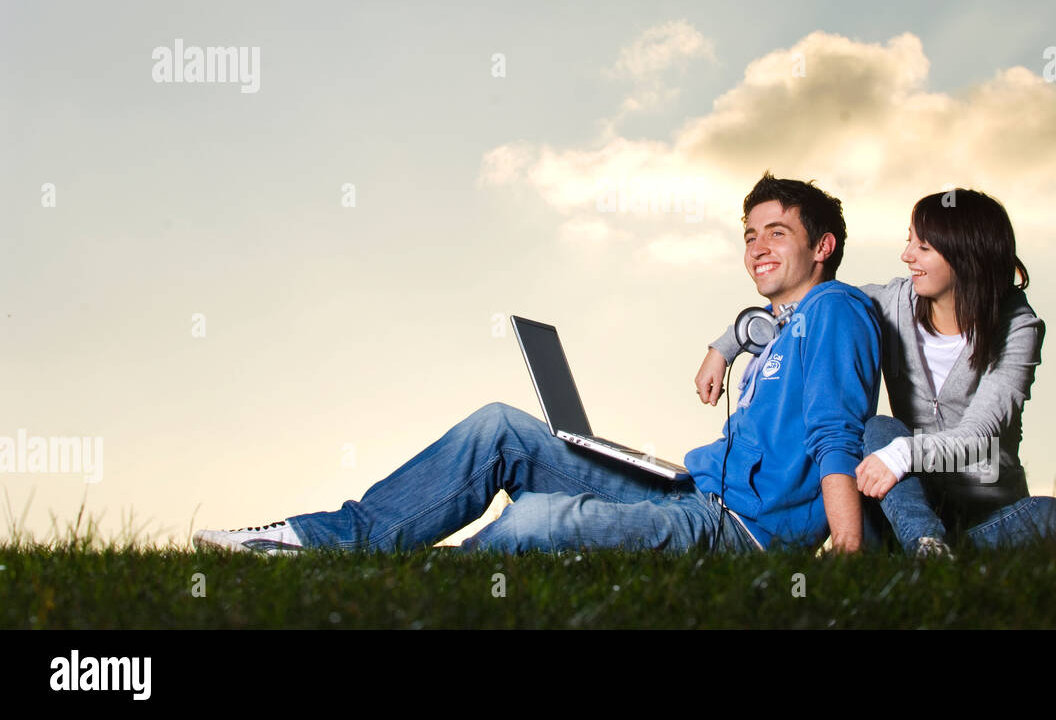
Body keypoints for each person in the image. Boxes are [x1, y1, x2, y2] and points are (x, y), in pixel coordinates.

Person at [193, 172, 882, 555]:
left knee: (535, 523)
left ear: (822, 246)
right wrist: (728, 341)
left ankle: (407, 587)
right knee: (500, 425)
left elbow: (835, 434)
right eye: (750, 235)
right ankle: (313, 540)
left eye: (778, 233)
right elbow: (760, 340)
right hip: (689, 492)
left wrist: (844, 556)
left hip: (736, 533)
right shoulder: (773, 331)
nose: (757, 246)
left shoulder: (835, 312)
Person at [696, 188, 1056, 556]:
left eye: (923, 247)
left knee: (1055, 517)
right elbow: (807, 305)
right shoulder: (893, 300)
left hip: (984, 508)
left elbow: (978, 437)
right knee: (879, 428)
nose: (906, 255)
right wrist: (725, 347)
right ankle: (925, 547)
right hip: (901, 502)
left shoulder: (1018, 327)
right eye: (909, 241)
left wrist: (901, 455)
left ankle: (931, 554)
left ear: (966, 255)